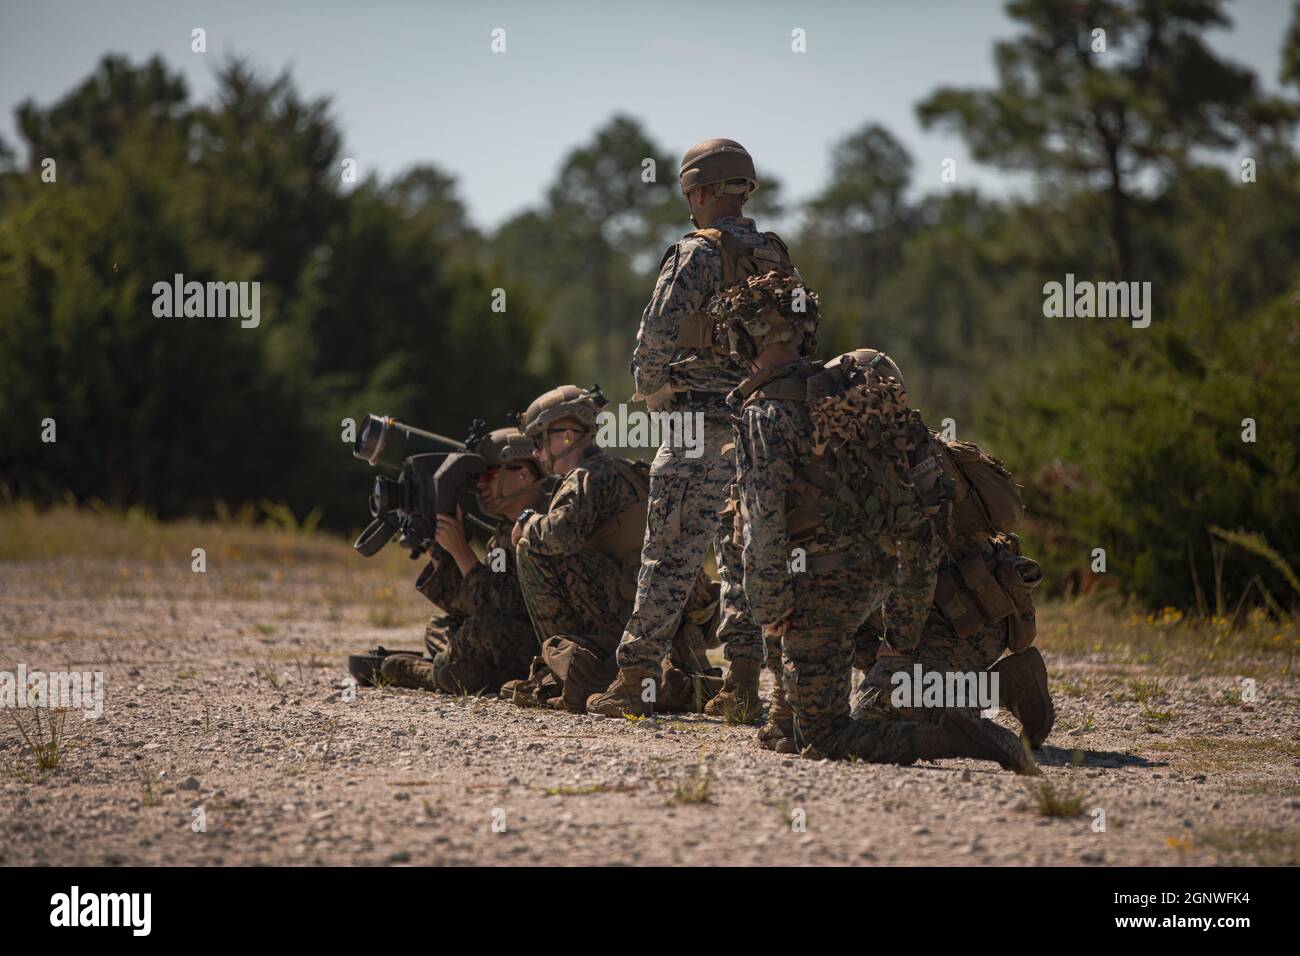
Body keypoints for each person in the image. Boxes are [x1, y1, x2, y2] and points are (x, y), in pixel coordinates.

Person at [721, 271, 1034, 770]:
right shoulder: (849, 397)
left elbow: (762, 525)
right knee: (809, 712)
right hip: (876, 584)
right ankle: (791, 716)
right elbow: (920, 527)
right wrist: (899, 639)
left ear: (741, 340)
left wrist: (770, 605)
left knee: (824, 740)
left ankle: (962, 737)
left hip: (822, 589)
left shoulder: (765, 414)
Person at [589, 138, 797, 719]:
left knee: (668, 554)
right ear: (745, 189)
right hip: (759, 426)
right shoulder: (777, 254)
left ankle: (634, 680)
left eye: (689, 192)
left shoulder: (696, 253)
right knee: (744, 556)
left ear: (699, 191)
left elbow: (654, 336)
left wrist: (652, 392)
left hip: (693, 422)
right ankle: (743, 687)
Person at [506, 385, 722, 713]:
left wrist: (527, 523)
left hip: (627, 615)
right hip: (663, 614)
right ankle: (673, 680)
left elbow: (562, 534)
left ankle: (565, 664)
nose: (536, 453)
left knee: (529, 548)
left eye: (539, 441)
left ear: (566, 436)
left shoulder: (585, 479)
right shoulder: (628, 470)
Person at [380, 427, 546, 694]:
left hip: (543, 642)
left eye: (489, 475)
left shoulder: (546, 524)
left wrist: (461, 551)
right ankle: (458, 667)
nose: (480, 486)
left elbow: (508, 605)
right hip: (508, 635)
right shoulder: (503, 535)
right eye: (477, 478)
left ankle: (441, 672)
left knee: (477, 630)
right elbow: (472, 603)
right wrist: (440, 550)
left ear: (523, 474)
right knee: (440, 627)